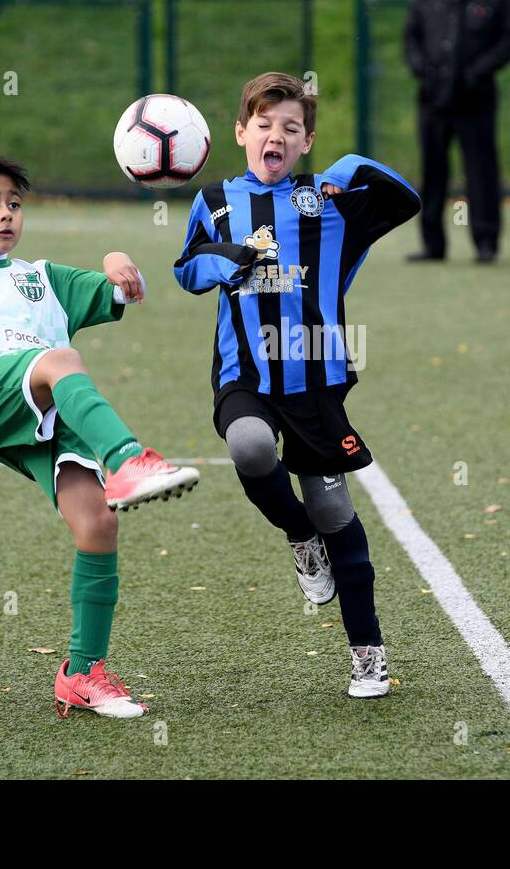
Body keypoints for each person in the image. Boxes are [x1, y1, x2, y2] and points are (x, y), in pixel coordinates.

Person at [0, 156, 200, 721]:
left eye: (14, 203)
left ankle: (82, 673)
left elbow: (125, 293)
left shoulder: (43, 278)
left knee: (98, 524)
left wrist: (117, 262)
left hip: (47, 413)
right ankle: (129, 460)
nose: (6, 213)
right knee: (61, 358)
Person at [173, 72, 420, 698]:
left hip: (316, 379)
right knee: (251, 448)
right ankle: (298, 534)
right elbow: (187, 270)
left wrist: (350, 166)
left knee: (335, 507)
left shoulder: (330, 200)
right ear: (240, 133)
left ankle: (368, 655)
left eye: (290, 128)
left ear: (306, 141)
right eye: (264, 125)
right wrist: (226, 258)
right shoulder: (217, 202)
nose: (275, 136)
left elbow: (405, 198)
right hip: (244, 376)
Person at [403, 0, 510, 263]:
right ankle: (432, 244)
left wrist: (478, 71)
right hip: (433, 100)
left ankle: (486, 242)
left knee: (481, 171)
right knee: (433, 171)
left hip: (476, 101)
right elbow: (411, 37)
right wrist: (421, 69)